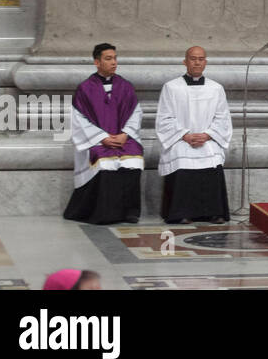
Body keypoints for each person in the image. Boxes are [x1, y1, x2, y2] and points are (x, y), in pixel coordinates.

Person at [63, 43, 144, 225]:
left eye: (115, 58)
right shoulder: (85, 88)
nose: (114, 62)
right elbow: (79, 119)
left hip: (122, 139)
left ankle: (130, 212)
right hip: (97, 141)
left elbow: (136, 113)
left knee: (134, 159)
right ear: (97, 62)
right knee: (105, 162)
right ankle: (106, 213)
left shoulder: (125, 86)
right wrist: (102, 138)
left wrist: (125, 134)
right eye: (108, 59)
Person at [156, 46, 233, 223]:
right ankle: (181, 213)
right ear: (185, 62)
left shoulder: (216, 88)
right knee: (182, 159)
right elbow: (164, 118)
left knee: (212, 160)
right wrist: (184, 135)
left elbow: (222, 118)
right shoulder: (171, 87)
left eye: (200, 59)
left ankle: (214, 212)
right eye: (193, 58)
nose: (197, 62)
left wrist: (208, 135)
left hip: (207, 139)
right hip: (181, 140)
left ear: (205, 62)